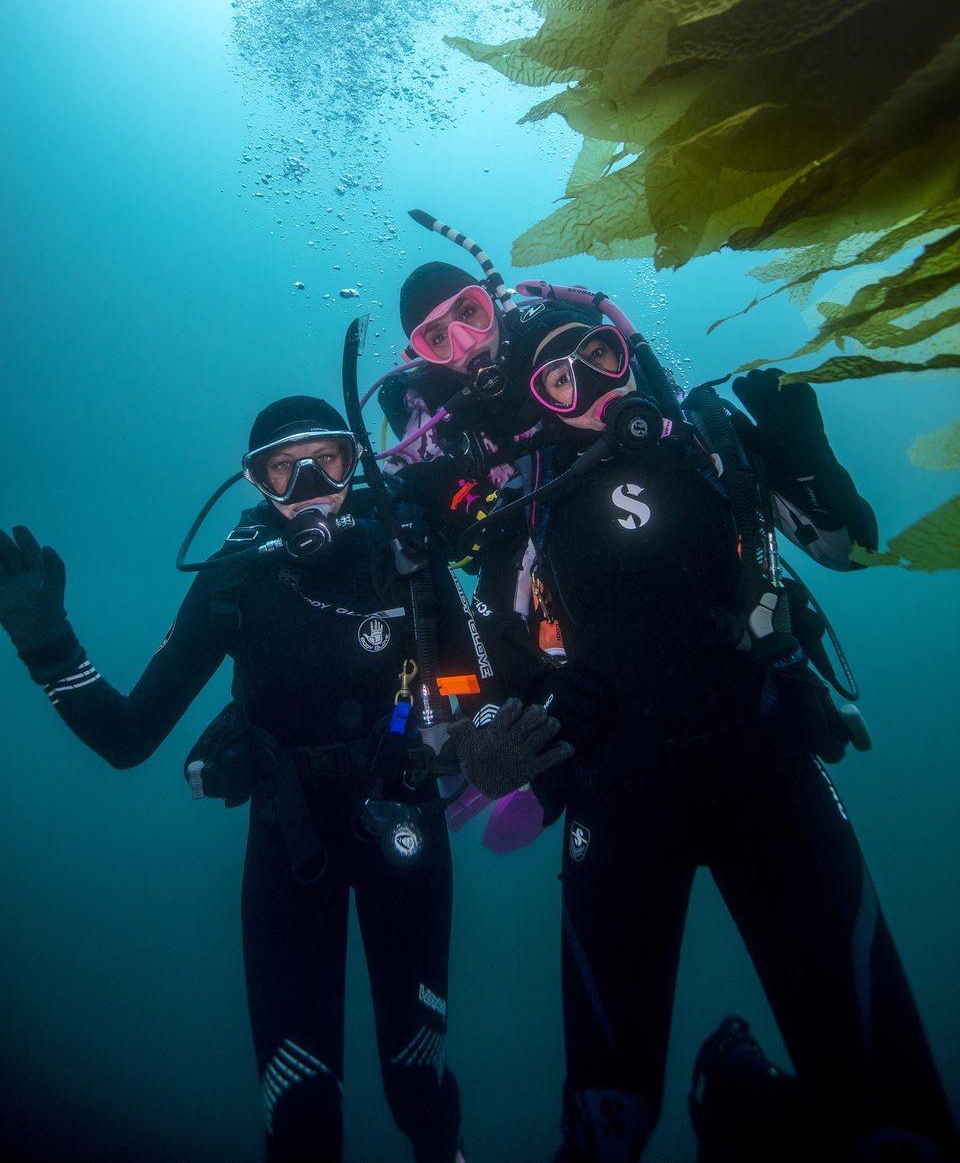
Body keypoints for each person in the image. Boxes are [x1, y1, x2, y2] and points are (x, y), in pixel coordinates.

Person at [0, 394, 565, 1163]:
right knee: (298, 1116)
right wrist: (49, 647)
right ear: (257, 483)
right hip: (287, 843)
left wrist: (481, 746)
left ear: (353, 462)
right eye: (282, 468)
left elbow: (466, 690)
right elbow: (128, 739)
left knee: (416, 1085)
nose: (307, 485)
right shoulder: (234, 583)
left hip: (403, 820)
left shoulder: (403, 555)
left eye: (326, 462)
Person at [457, 308, 959, 1163]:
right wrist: (534, 693)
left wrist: (809, 450)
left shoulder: (713, 441)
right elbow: (484, 648)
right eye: (560, 379)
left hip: (769, 768)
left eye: (600, 355)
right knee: (606, 1123)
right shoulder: (528, 499)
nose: (591, 386)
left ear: (631, 353)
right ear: (541, 403)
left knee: (892, 1110)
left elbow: (843, 547)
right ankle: (735, 1105)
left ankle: (739, 1108)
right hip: (617, 799)